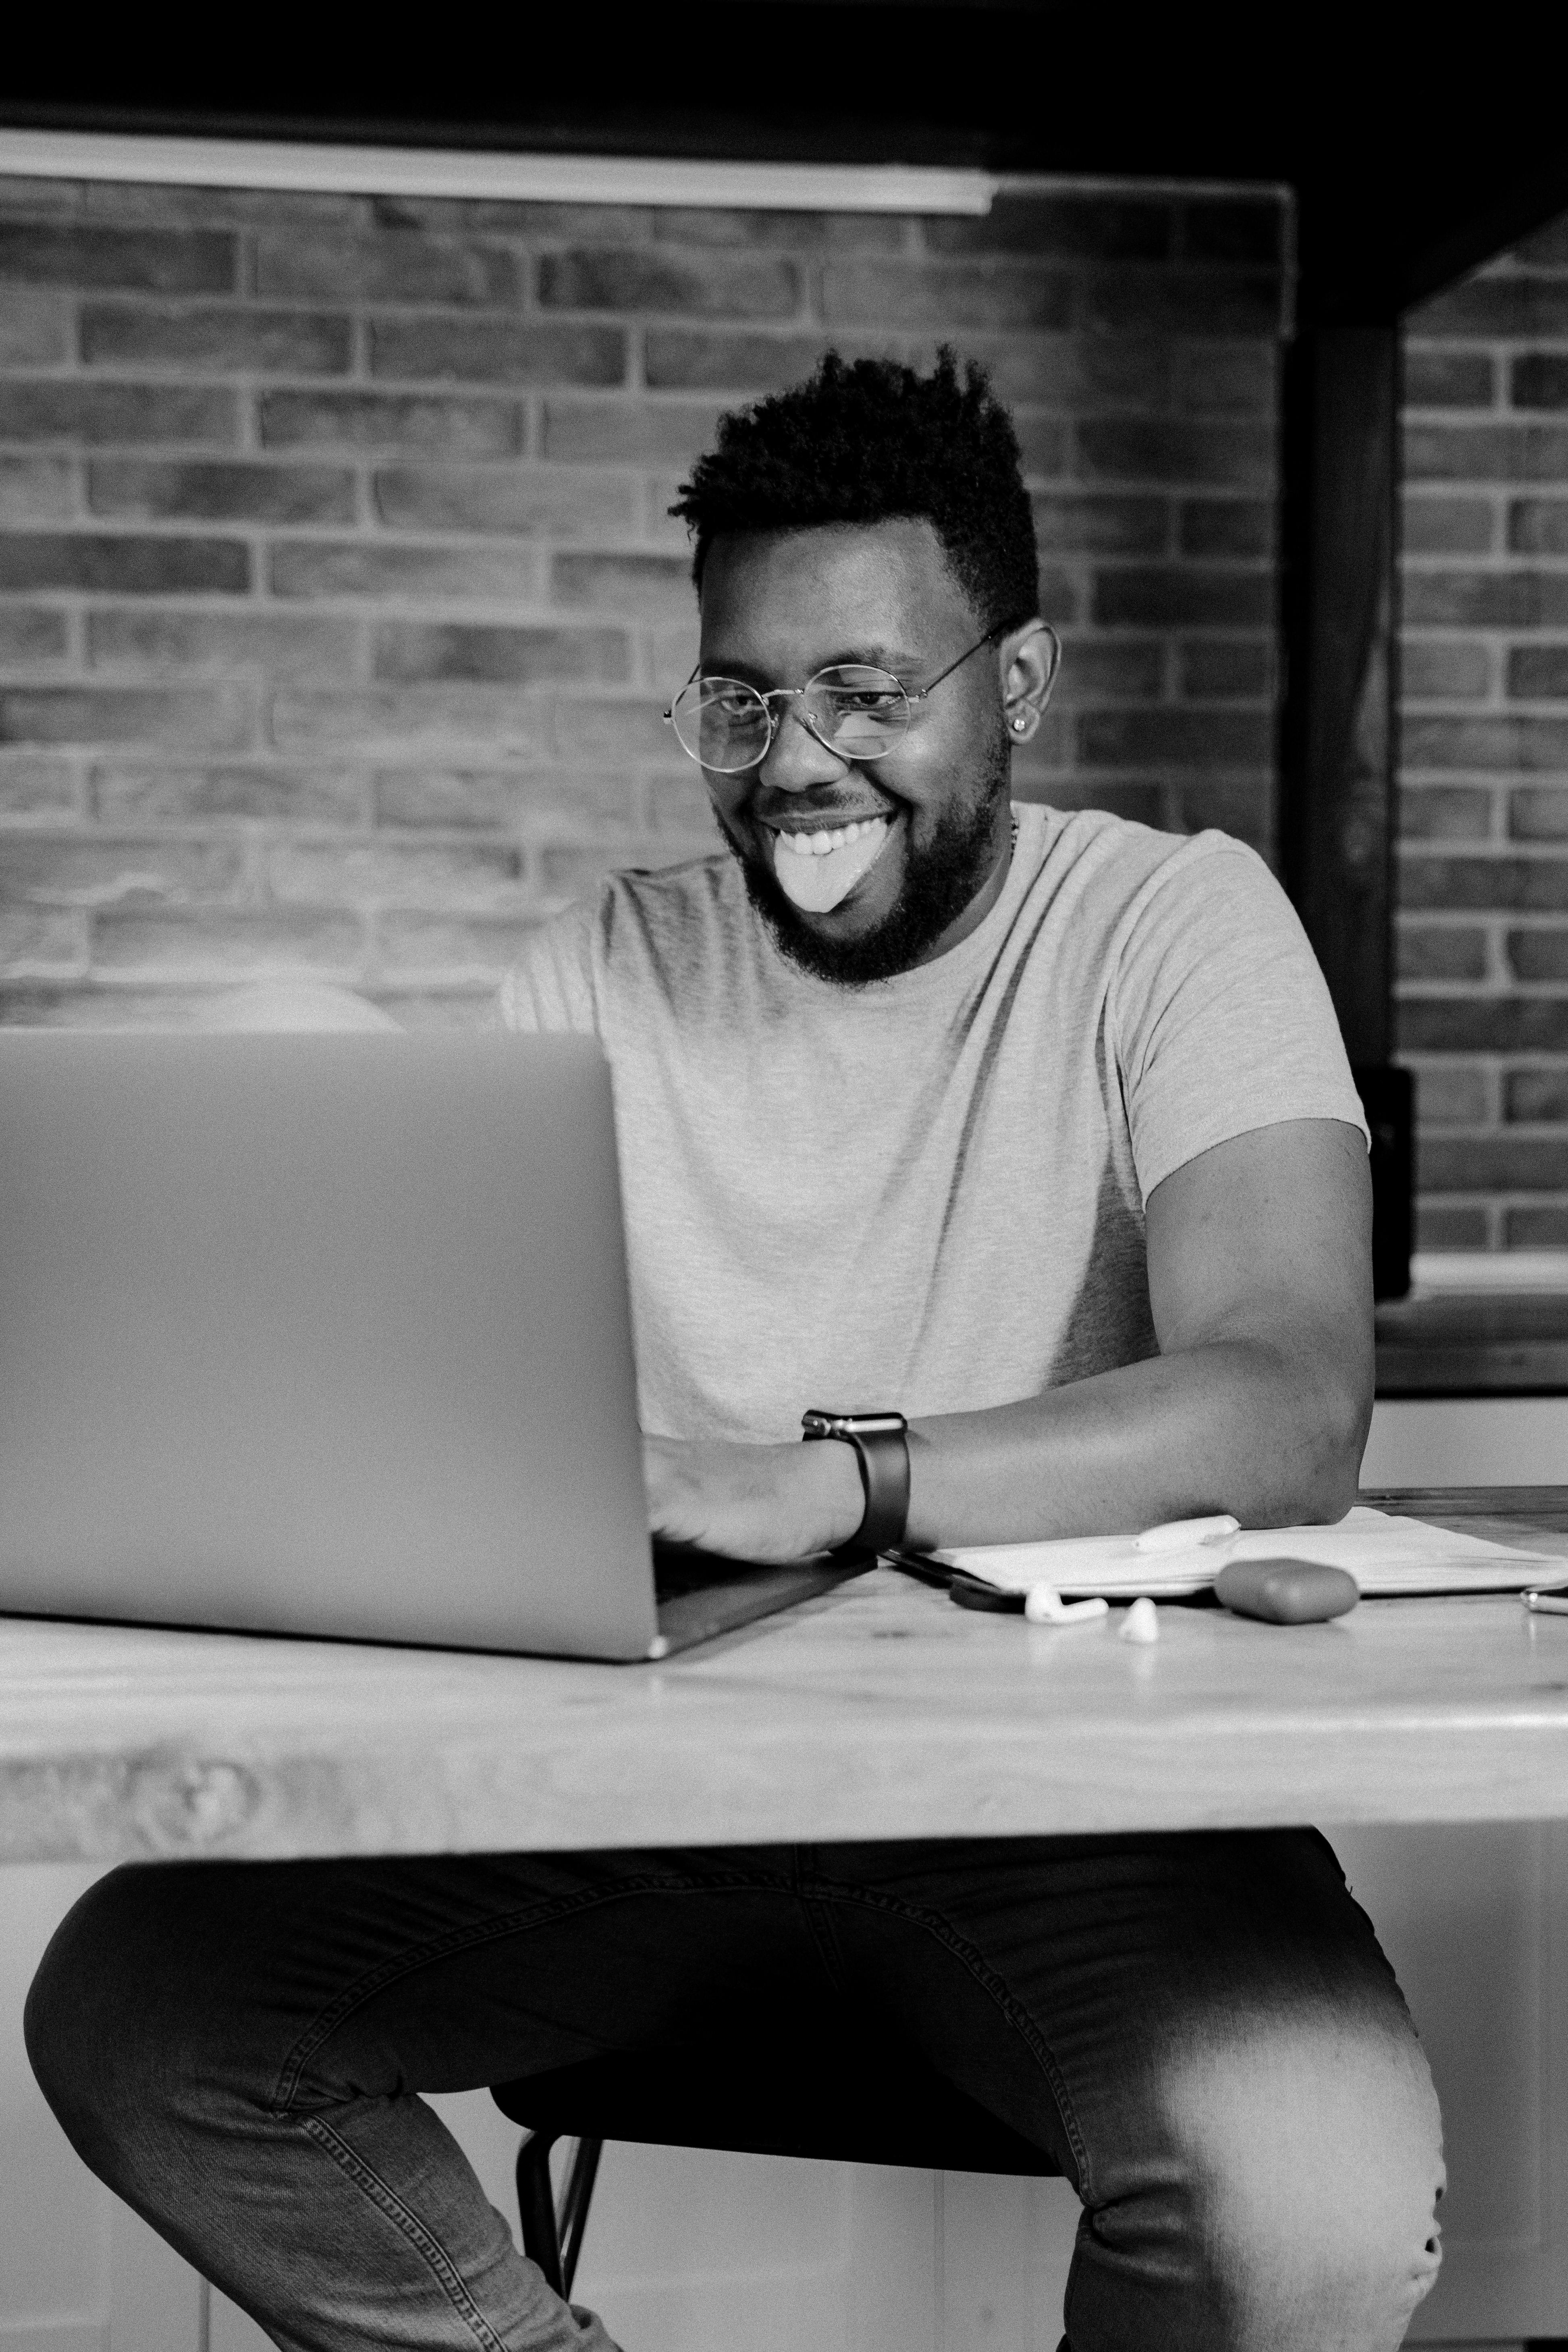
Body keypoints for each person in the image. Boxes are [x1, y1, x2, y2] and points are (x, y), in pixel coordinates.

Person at [26, 351, 1443, 2352]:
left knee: (1306, 2207)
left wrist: (830, 1476)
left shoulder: (1175, 926)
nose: (797, 761)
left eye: (867, 690)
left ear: (1012, 686)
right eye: (742, 700)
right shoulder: (601, 964)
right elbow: (442, 1408)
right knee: (139, 2014)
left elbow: (1290, 1400)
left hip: (1086, 1824)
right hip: (643, 1814)